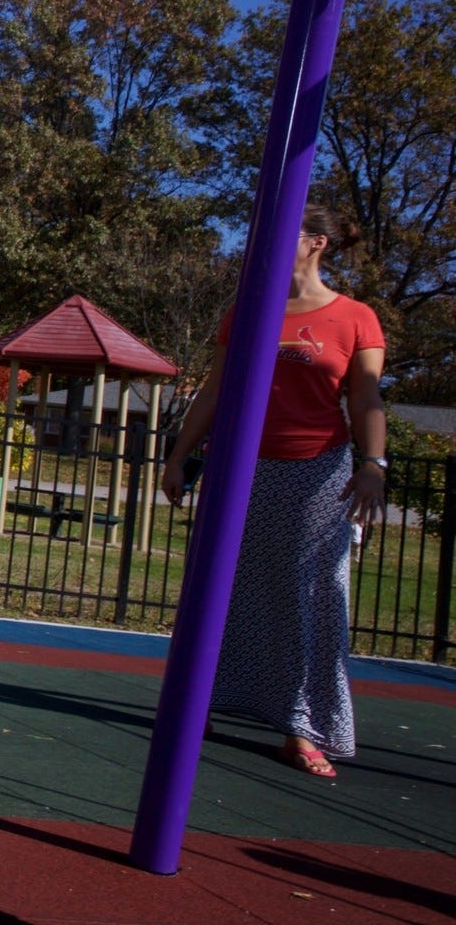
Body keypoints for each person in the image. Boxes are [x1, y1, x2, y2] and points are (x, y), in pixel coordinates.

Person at [161, 203, 385, 779]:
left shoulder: (356, 316)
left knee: (308, 594)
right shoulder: (247, 313)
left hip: (316, 473)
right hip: (238, 466)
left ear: (316, 244)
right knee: (218, 585)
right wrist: (182, 455)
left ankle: (301, 727)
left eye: (280, 234)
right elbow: (213, 391)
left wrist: (373, 464)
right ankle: (197, 704)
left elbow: (364, 398)